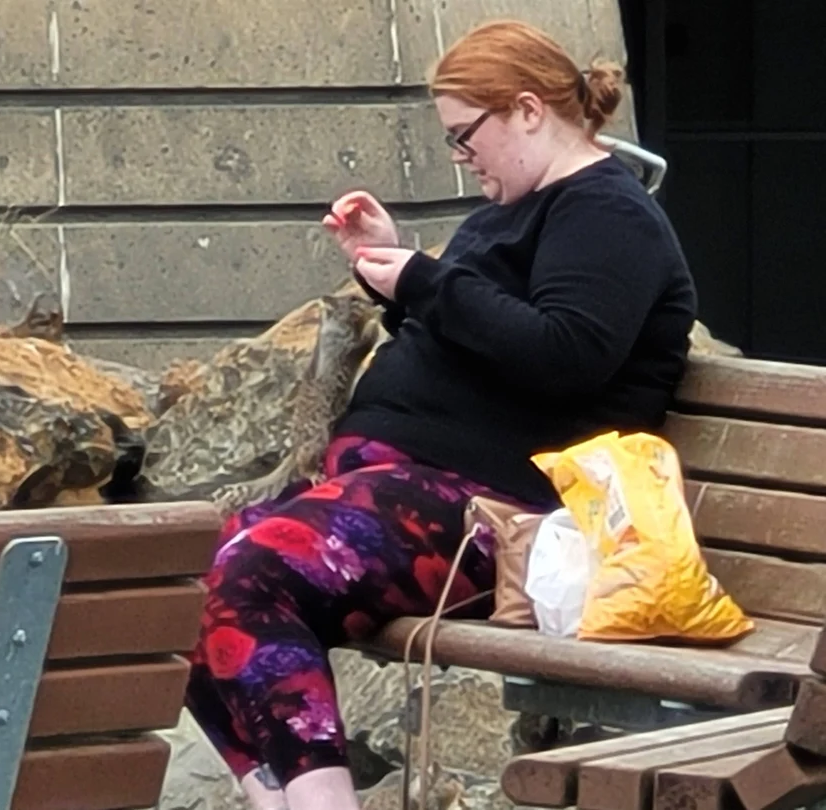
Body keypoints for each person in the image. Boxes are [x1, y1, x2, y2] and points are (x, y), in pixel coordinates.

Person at [184, 18, 698, 810]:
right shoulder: (520, 207)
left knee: (257, 566)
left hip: (497, 514)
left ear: (528, 111)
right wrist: (395, 270)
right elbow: (477, 342)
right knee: (172, 570)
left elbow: (564, 355)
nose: (463, 159)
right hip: (414, 492)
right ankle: (276, 794)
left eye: (466, 136)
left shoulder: (606, 214)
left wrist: (426, 281)